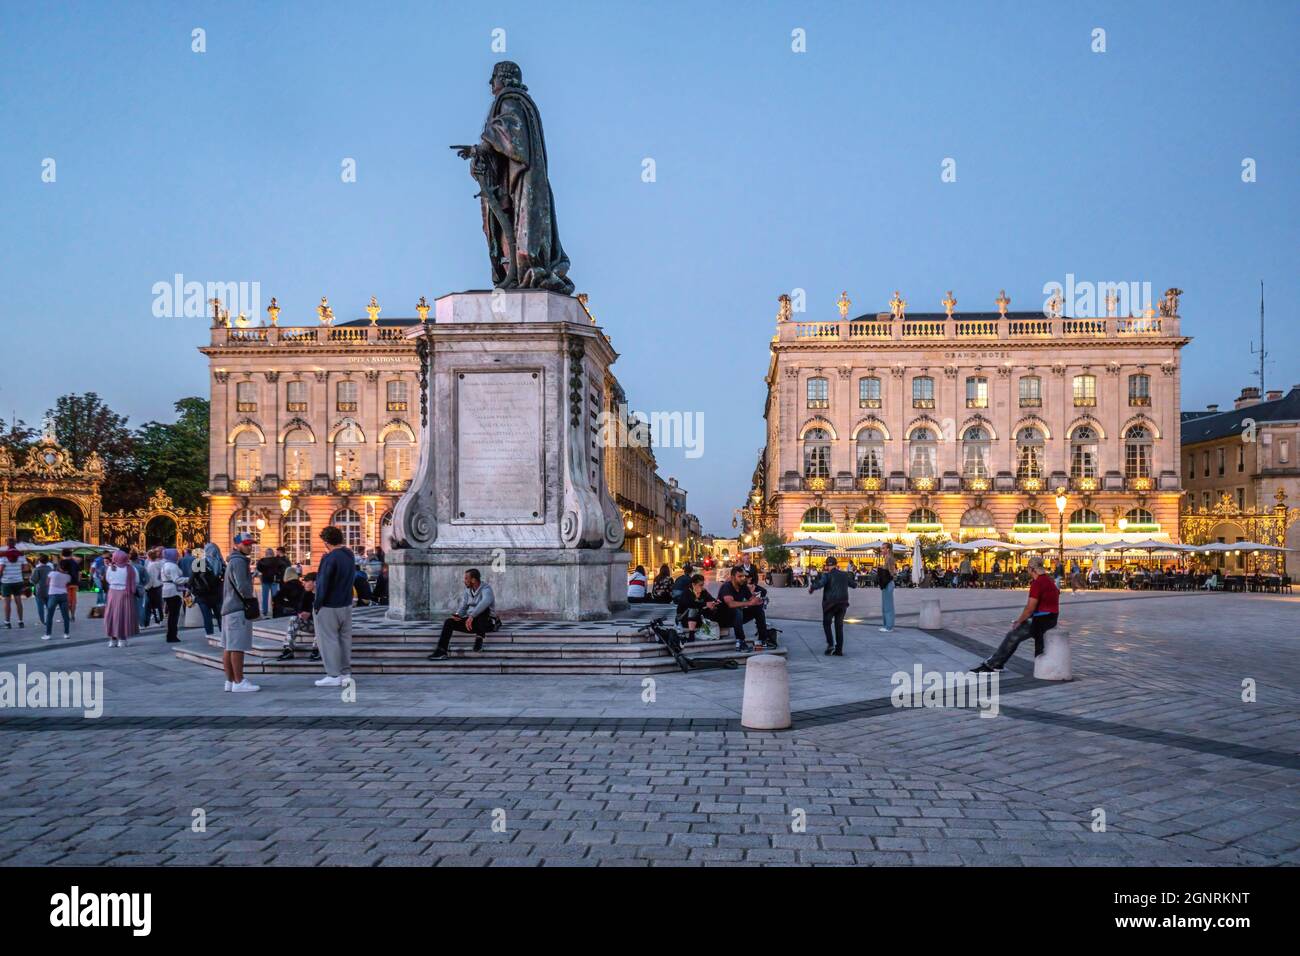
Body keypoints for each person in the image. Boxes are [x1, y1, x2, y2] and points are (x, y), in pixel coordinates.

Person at [973, 555, 1059, 673]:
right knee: (1017, 634)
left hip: (1042, 619)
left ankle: (993, 664)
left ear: (1031, 569)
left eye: (1028, 568)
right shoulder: (1048, 580)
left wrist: (1019, 621)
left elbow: (1030, 608)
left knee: (1013, 635)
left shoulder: (1037, 583)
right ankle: (998, 663)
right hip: (1052, 618)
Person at [312, 525, 355, 686]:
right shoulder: (349, 555)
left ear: (326, 541)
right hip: (346, 603)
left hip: (329, 605)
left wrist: (317, 604)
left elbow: (323, 583)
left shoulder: (330, 558)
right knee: (344, 640)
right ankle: (345, 673)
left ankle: (333, 674)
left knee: (328, 639)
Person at [220, 532, 260, 693]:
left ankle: (230, 681)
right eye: (246, 544)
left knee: (229, 647)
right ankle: (239, 681)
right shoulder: (239, 561)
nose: (249, 547)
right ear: (237, 545)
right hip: (237, 608)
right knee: (237, 646)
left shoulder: (233, 560)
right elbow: (243, 586)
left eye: (251, 544)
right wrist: (250, 598)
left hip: (229, 608)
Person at [428, 568, 496, 660]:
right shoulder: (467, 591)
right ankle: (441, 651)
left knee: (484, 610)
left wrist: (472, 615)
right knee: (449, 622)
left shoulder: (486, 588)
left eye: (466, 578)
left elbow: (485, 602)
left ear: (473, 580)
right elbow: (463, 607)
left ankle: (479, 638)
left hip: (486, 623)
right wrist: (457, 615)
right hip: (471, 623)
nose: (464, 581)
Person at [717, 565, 777, 652]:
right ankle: (740, 641)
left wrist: (758, 600)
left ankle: (763, 639)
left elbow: (751, 598)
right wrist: (749, 603)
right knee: (737, 610)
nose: (743, 578)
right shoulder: (727, 587)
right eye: (740, 576)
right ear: (733, 577)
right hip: (724, 618)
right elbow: (730, 604)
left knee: (758, 609)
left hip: (737, 617)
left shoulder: (743, 586)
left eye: (743, 576)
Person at [809, 555, 857, 656]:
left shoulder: (827, 575)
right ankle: (839, 650)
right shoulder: (844, 575)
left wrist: (812, 587)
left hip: (830, 604)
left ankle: (830, 644)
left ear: (827, 566)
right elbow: (854, 585)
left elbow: (821, 584)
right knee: (839, 626)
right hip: (842, 603)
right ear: (836, 565)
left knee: (827, 623)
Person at [103, 550, 140, 648]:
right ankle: (122, 640)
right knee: (123, 616)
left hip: (112, 593)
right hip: (126, 593)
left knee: (112, 615)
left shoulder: (111, 568)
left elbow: (107, 579)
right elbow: (137, 581)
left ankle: (112, 640)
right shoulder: (131, 569)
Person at [277, 572, 317, 660]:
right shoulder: (306, 593)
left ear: (315, 582)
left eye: (307, 581)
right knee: (294, 619)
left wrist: (310, 613)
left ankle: (317, 650)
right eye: (304, 581)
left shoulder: (323, 595)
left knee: (321, 622)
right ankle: (288, 649)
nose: (304, 583)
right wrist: (301, 614)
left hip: (324, 625)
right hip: (311, 624)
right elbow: (299, 608)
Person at [186, 547, 222, 636]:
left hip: (202, 593)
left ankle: (210, 634)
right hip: (216, 593)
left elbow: (192, 577)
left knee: (207, 617)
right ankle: (223, 634)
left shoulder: (200, 562)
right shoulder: (219, 562)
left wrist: (188, 589)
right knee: (219, 616)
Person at [674, 573, 719, 641]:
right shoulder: (687, 592)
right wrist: (705, 604)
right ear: (693, 584)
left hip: (697, 619)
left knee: (711, 609)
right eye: (700, 585)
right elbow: (690, 604)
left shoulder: (703, 592)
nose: (702, 586)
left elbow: (710, 599)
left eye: (702, 584)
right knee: (693, 609)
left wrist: (715, 602)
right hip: (684, 618)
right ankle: (691, 635)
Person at [159, 548, 185, 643]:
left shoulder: (165, 565)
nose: (178, 556)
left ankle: (171, 634)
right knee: (174, 614)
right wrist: (188, 579)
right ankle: (172, 635)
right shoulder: (173, 566)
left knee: (171, 614)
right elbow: (176, 580)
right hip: (173, 591)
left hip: (166, 590)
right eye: (176, 554)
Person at [0, 541, 26, 629]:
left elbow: (1, 569)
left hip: (6, 582)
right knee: (18, 601)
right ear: (15, 544)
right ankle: (20, 622)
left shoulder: (4, 556)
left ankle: (7, 623)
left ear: (7, 545)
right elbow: (25, 567)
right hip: (18, 580)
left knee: (7, 603)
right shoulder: (21, 555)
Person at [44, 562, 73, 640]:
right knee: (65, 616)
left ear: (60, 567)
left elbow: (47, 583)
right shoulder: (68, 576)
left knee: (50, 615)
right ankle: (66, 634)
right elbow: (67, 585)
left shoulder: (52, 573)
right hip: (64, 595)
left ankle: (48, 634)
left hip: (53, 594)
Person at [256, 548, 281, 618]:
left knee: (265, 597)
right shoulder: (277, 560)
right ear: (272, 553)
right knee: (275, 597)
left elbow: (259, 570)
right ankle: (275, 611)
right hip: (274, 580)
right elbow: (280, 569)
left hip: (265, 580)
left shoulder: (262, 561)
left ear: (266, 554)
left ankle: (265, 612)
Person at [878, 543, 897, 633]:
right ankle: (887, 625)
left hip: (888, 583)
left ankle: (888, 627)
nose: (882, 550)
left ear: (888, 549)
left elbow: (891, 572)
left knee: (887, 606)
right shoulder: (888, 557)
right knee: (886, 605)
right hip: (888, 583)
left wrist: (882, 569)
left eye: (883, 548)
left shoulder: (888, 558)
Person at [144, 547, 165, 626]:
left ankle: (157, 620)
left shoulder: (151, 566)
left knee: (152, 605)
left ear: (149, 557)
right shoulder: (160, 563)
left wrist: (146, 587)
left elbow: (150, 578)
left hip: (153, 587)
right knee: (159, 604)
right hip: (159, 585)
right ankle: (160, 619)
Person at [30, 554, 52, 629]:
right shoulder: (49, 568)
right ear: (47, 561)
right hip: (48, 590)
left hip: (39, 590)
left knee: (40, 606)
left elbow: (33, 581)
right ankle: (49, 619)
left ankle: (42, 620)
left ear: (39, 560)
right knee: (48, 606)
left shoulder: (37, 569)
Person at [61, 549, 82, 621]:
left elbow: (60, 573)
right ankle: (72, 616)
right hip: (74, 583)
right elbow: (79, 573)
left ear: (62, 554)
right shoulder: (75, 562)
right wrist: (78, 582)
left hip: (65, 584)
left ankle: (67, 616)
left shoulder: (62, 562)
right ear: (71, 554)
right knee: (73, 601)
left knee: (66, 601)